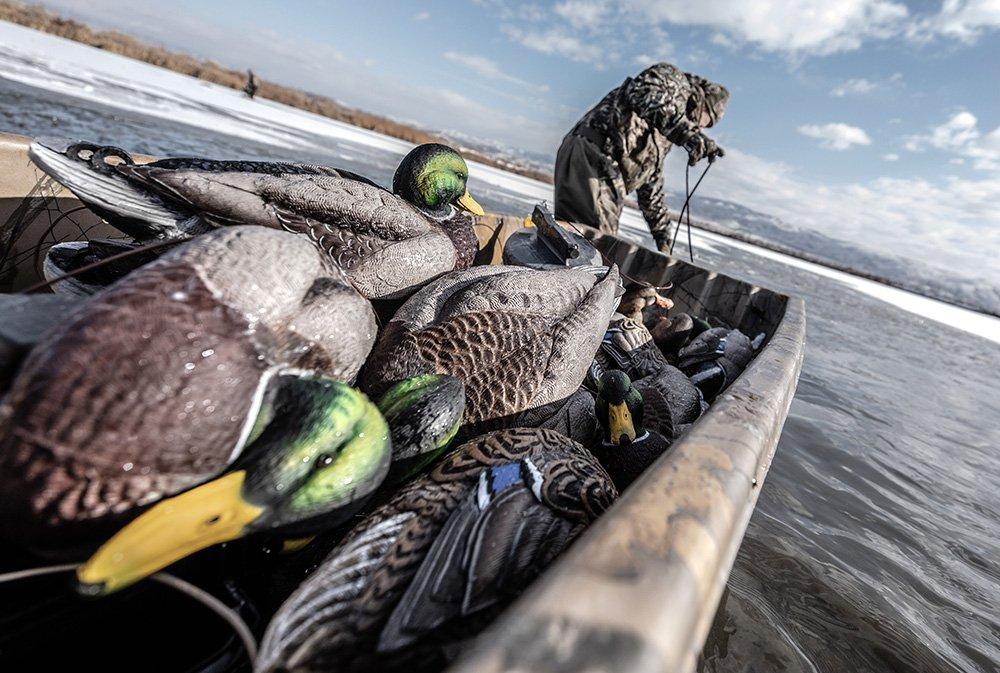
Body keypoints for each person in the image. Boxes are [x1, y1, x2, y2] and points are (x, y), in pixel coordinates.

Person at [554, 63, 729, 251]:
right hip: (597, 157)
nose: (702, 128)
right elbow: (643, 94)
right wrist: (688, 134)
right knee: (595, 249)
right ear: (704, 105)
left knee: (570, 244)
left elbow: (651, 181)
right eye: (707, 122)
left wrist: (663, 237)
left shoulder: (664, 132)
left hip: (598, 164)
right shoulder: (673, 80)